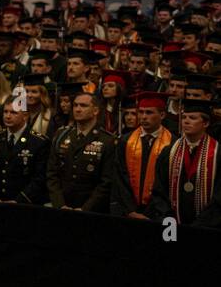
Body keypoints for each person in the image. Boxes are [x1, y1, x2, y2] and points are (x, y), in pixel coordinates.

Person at [151, 99, 221, 228]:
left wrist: (200, 225)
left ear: (205, 123)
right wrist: (168, 218)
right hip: (171, 225)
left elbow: (219, 197)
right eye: (184, 117)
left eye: (192, 118)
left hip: (208, 227)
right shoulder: (169, 152)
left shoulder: (218, 153)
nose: (186, 121)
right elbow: (159, 190)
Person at [45, 91, 116, 211]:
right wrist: (60, 204)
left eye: (83, 106)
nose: (77, 109)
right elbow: (52, 174)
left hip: (92, 210)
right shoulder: (61, 135)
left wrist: (86, 208)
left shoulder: (107, 140)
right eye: (75, 105)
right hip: (62, 206)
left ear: (95, 111)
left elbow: (106, 182)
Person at [111, 91, 175, 219]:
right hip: (128, 211)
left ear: (162, 115)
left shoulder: (173, 143)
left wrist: (152, 212)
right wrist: (131, 210)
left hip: (157, 213)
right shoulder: (125, 141)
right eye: (140, 112)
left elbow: (167, 184)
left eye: (149, 112)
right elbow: (120, 177)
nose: (143, 117)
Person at [0, 103, 49, 203]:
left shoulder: (38, 142)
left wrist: (19, 200)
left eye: (13, 112)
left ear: (25, 115)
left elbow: (40, 178)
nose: (8, 116)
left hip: (24, 204)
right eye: (5, 112)